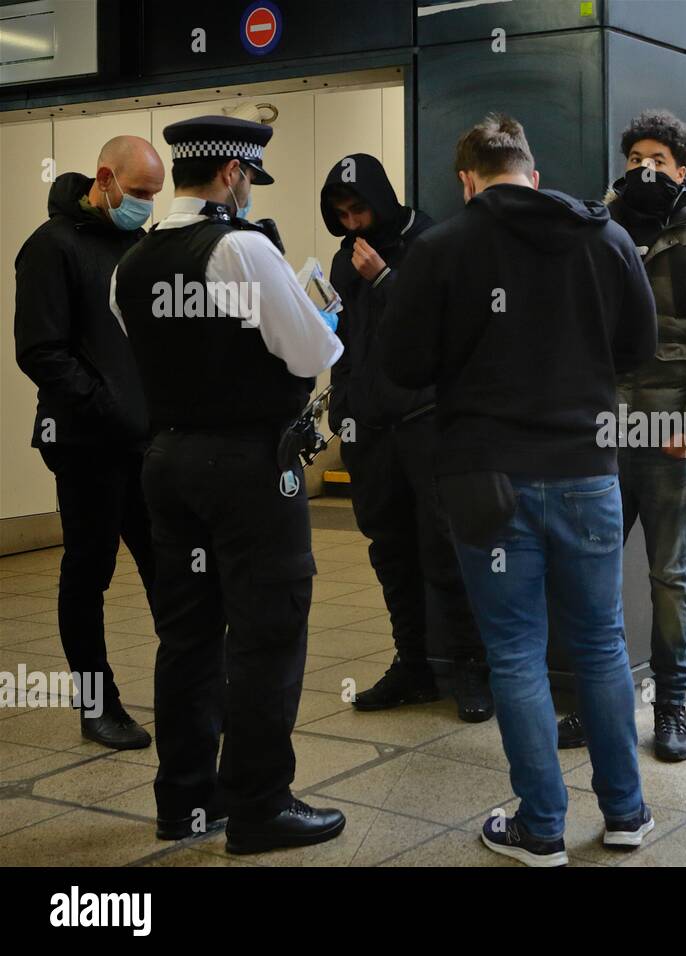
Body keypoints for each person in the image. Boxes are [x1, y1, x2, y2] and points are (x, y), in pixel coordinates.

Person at [382, 113, 658, 867]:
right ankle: (627, 813)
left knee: (514, 655)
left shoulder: (440, 248)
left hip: (485, 479)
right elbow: (639, 348)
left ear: (466, 180)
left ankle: (541, 828)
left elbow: (401, 365)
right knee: (601, 644)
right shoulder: (605, 239)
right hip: (588, 473)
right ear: (532, 173)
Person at [110, 115, 347, 854]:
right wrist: (314, 305)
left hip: (168, 463)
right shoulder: (241, 248)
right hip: (248, 470)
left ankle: (184, 800)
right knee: (266, 632)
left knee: (186, 635)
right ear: (234, 175)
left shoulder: (131, 263)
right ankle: (259, 805)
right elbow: (314, 348)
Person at [555, 109, 686, 762]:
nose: (646, 168)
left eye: (659, 158)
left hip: (670, 436)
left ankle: (671, 709)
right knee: (589, 575)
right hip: (603, 434)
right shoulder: (597, 233)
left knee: (670, 577)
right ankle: (591, 705)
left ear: (683, 169)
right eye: (636, 156)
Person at [320, 153, 492, 722]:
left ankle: (469, 668)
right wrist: (342, 411)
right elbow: (344, 343)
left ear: (383, 200)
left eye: (360, 209)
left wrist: (386, 280)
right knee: (389, 552)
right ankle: (412, 665)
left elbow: (447, 333)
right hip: (371, 431)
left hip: (428, 425)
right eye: (341, 215)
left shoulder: (433, 243)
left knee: (447, 550)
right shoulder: (345, 261)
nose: (353, 224)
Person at [14, 135, 165, 750]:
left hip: (147, 444)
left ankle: (201, 684)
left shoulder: (137, 244)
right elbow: (41, 352)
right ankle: (97, 704)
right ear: (105, 179)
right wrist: (108, 407)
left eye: (155, 195)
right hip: (84, 443)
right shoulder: (52, 247)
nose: (148, 205)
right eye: (139, 193)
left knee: (171, 568)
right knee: (89, 570)